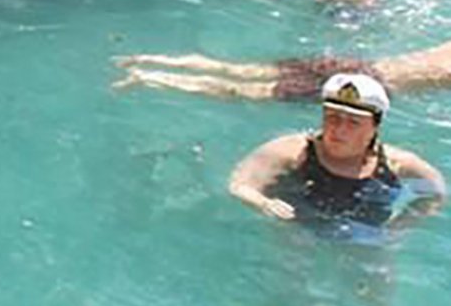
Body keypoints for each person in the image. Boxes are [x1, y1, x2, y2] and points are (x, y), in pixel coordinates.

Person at [228, 73, 444, 228]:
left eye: (353, 122)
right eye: (333, 118)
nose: (339, 129)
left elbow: (436, 194)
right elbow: (240, 184)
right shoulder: (291, 152)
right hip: (298, 233)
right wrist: (264, 203)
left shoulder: (398, 164)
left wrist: (399, 228)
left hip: (364, 241)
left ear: (375, 126)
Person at [113, 37, 451, 102]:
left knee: (242, 70)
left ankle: (148, 60)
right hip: (365, 85)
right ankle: (150, 78)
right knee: (247, 91)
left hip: (360, 65)